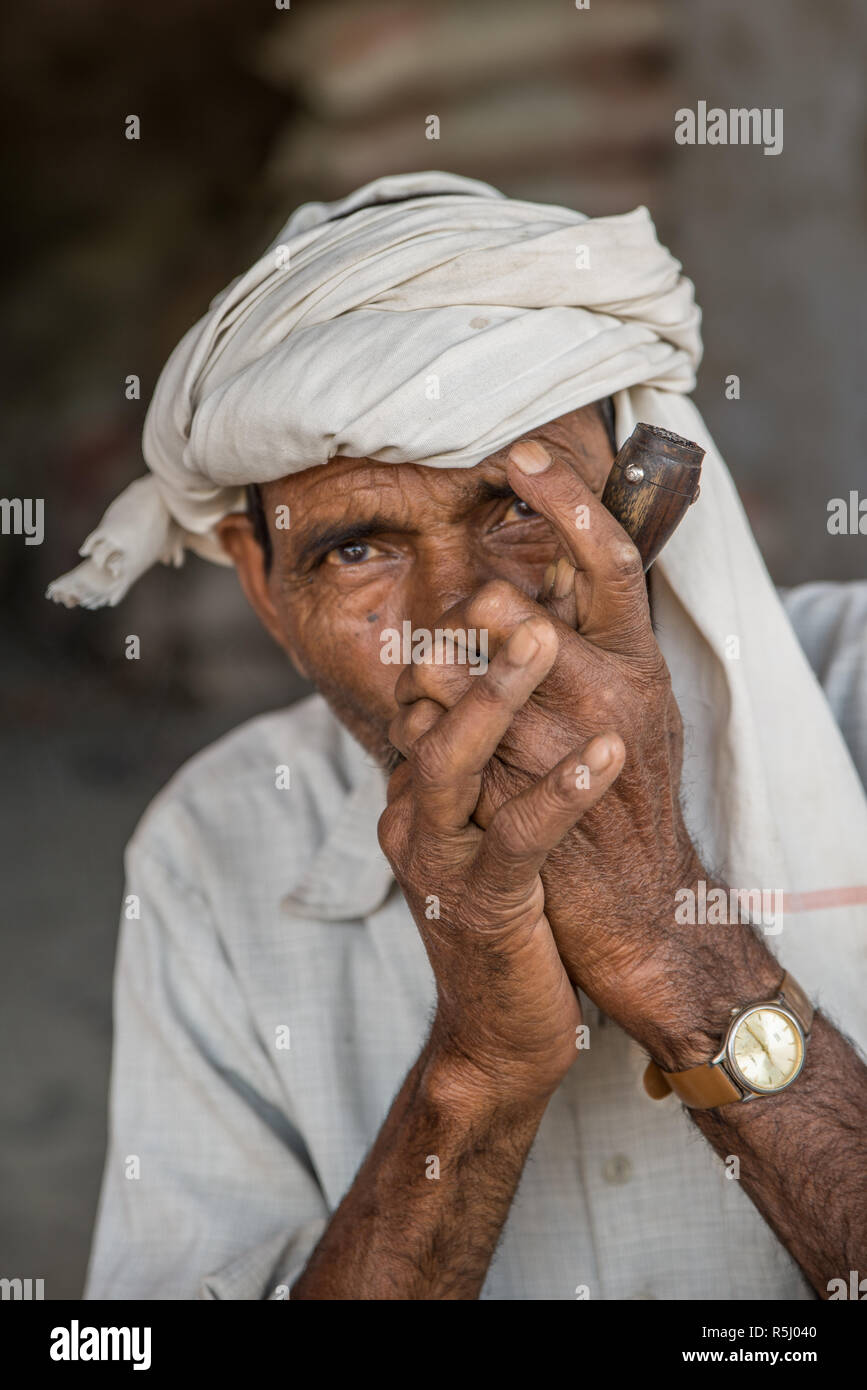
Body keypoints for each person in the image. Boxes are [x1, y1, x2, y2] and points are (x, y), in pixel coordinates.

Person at [48, 171, 867, 1301]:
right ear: (265, 589)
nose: (459, 627)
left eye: (521, 512)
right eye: (357, 551)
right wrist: (478, 1069)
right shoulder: (213, 848)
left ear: (643, 511)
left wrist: (671, 954)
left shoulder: (857, 697)